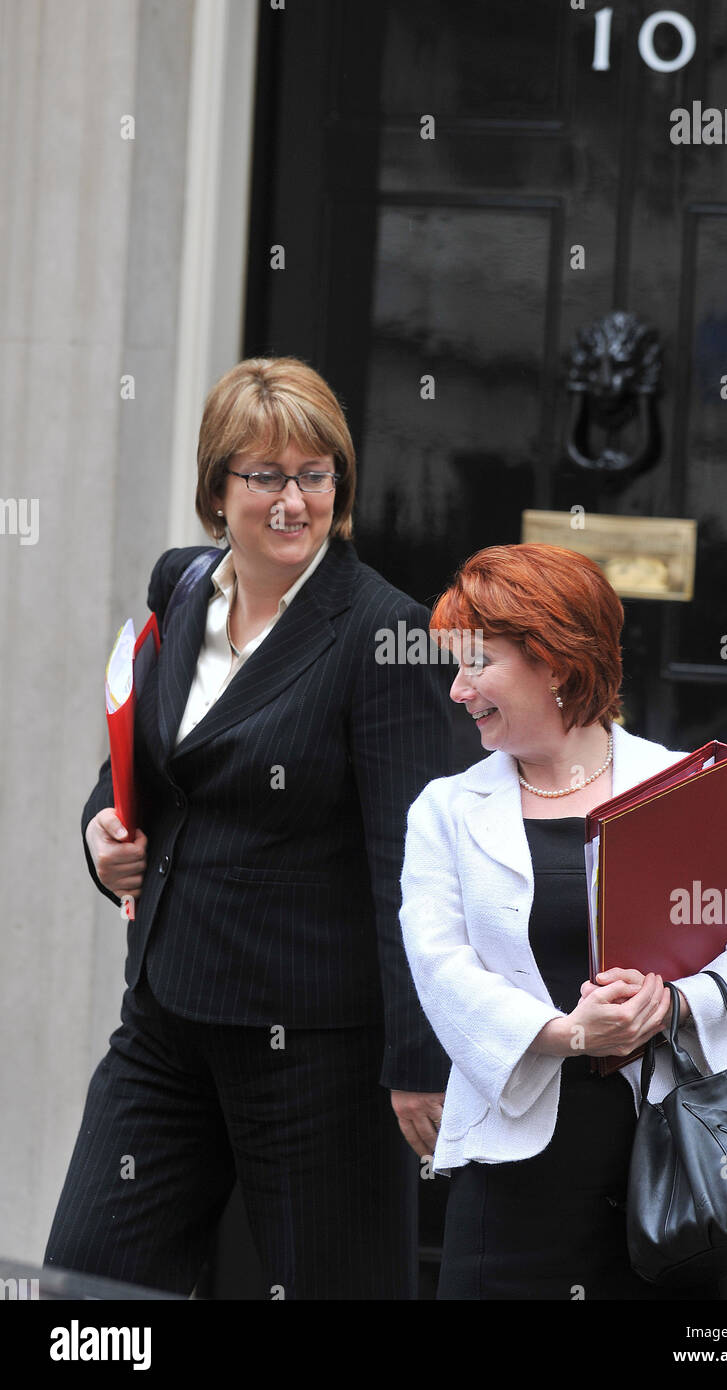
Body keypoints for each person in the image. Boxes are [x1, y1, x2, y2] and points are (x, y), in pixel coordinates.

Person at [44, 357, 453, 1299]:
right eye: (265, 476)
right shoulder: (182, 588)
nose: (293, 501)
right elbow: (139, 761)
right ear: (216, 487)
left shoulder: (385, 637)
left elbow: (414, 868)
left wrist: (418, 1062)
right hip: (164, 1020)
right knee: (88, 1290)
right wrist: (100, 829)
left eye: (314, 475)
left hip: (314, 1049)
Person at [399, 543, 727, 1301]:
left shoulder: (686, 786)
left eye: (476, 662)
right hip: (512, 1186)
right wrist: (567, 1035)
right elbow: (439, 968)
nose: (457, 689)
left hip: (681, 1176)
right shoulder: (446, 811)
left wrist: (676, 1003)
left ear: (552, 662)